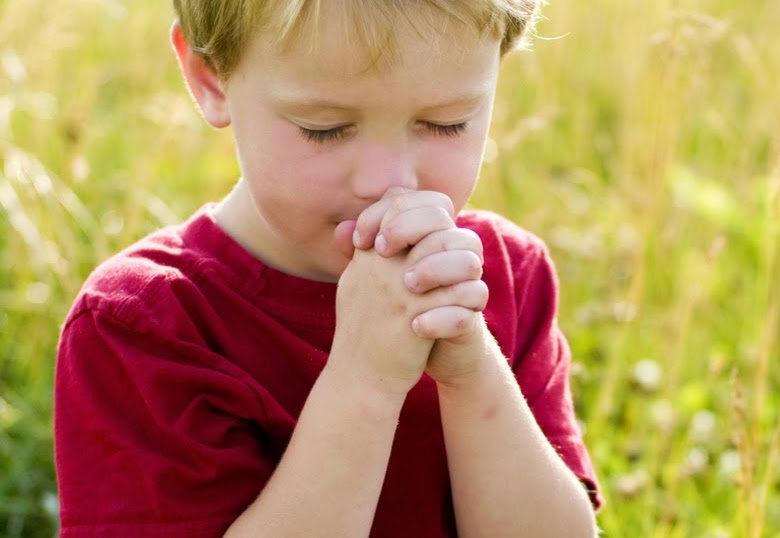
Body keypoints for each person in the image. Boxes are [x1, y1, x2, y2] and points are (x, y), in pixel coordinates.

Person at [53, 0, 602, 536]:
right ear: (211, 80)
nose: (388, 180)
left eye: (445, 123)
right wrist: (364, 381)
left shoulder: (504, 275)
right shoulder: (143, 324)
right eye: (326, 128)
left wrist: (473, 372)